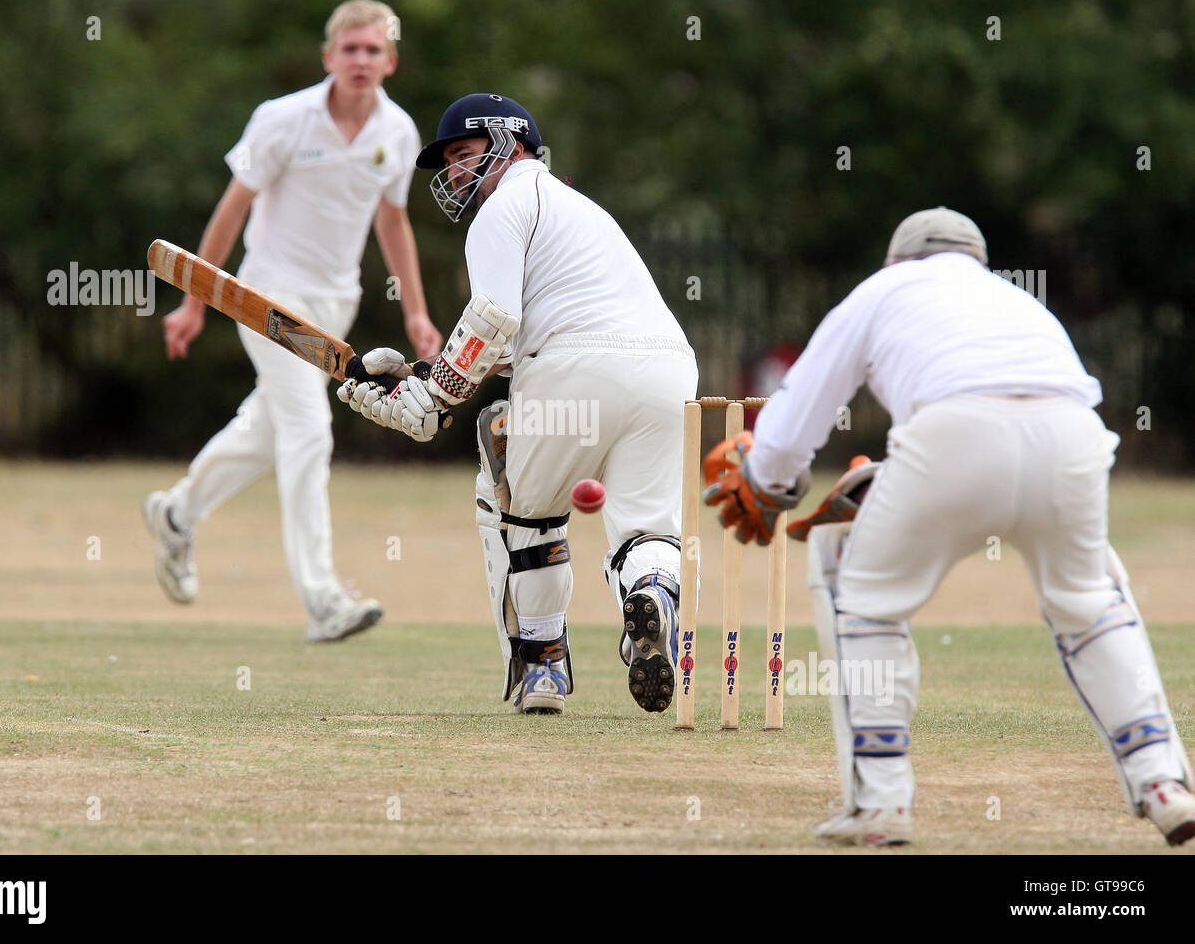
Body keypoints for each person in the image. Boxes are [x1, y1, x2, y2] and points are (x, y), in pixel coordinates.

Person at [703, 207, 1195, 847]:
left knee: (861, 591)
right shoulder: (1014, 300)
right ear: (978, 261)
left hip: (953, 436)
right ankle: (1164, 782)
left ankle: (879, 803)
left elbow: (798, 414)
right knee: (1090, 603)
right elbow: (1025, 405)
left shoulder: (883, 290)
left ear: (895, 260)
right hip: (1073, 439)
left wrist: (769, 483)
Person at [338, 93, 698, 716]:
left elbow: (496, 317)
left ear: (512, 144)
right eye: (446, 160)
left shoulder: (502, 207)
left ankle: (543, 667)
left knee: (515, 495)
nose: (452, 171)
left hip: (574, 373)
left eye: (463, 153)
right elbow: (527, 333)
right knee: (647, 527)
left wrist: (431, 397)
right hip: (669, 371)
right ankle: (652, 596)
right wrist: (423, 374)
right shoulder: (580, 208)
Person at [142, 0, 443, 642]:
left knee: (265, 431)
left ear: (390, 61)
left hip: (337, 301)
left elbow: (393, 222)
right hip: (269, 296)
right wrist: (196, 300)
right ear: (329, 56)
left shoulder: (398, 132)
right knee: (309, 432)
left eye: (373, 50)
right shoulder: (282, 119)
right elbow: (234, 206)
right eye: (349, 49)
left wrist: (416, 313)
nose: (361, 61)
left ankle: (176, 514)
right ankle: (323, 598)